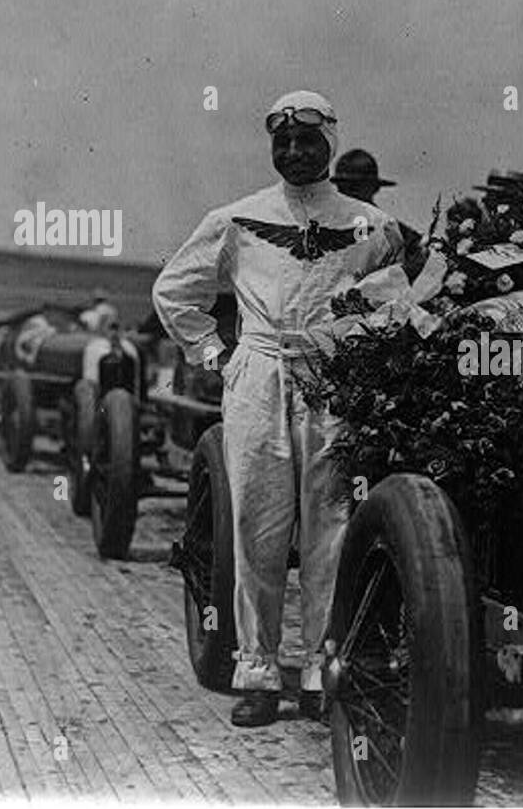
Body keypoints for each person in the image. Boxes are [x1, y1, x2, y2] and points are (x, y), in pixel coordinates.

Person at [153, 89, 404, 727]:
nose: (294, 151)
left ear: (332, 143)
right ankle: (258, 672)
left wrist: (360, 347)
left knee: (332, 527)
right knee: (258, 528)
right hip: (257, 378)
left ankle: (324, 672)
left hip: (332, 380)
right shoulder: (237, 220)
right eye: (283, 141)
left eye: (307, 140)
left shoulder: (371, 227)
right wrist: (217, 357)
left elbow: (397, 302)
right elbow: (174, 290)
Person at [331, 148, 426, 277]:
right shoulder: (322, 231)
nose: (351, 195)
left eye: (357, 187)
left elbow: (423, 260)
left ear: (373, 188)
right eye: (345, 187)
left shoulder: (396, 231)